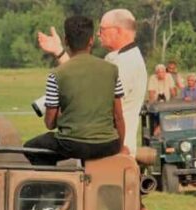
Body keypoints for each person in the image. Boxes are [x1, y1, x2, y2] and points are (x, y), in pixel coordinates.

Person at [38, 9, 146, 155]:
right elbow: (83, 74)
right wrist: (59, 51)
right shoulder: (119, 58)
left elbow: (91, 94)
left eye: (102, 29)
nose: (97, 34)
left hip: (114, 147)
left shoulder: (126, 63)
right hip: (107, 142)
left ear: (118, 31)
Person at [23, 15, 125, 167]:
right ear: (91, 40)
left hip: (72, 144)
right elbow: (118, 117)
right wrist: (120, 147)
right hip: (108, 145)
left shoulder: (56, 74)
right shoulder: (111, 70)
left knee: (31, 148)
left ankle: (53, 188)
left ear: (66, 41)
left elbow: (50, 123)